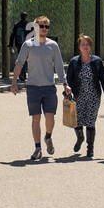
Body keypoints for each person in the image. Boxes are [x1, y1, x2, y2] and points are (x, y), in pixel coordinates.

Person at [10, 15, 68, 161]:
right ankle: (37, 148)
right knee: (35, 119)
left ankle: (48, 136)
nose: (44, 29)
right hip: (33, 88)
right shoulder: (28, 45)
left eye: (46, 26)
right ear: (35, 27)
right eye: (41, 26)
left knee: (50, 118)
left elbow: (59, 66)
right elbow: (19, 63)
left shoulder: (53, 45)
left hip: (49, 87)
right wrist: (14, 82)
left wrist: (65, 84)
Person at [66, 34, 104, 159]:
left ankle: (90, 148)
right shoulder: (74, 62)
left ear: (90, 46)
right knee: (77, 121)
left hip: (93, 95)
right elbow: (68, 80)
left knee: (91, 121)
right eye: (82, 44)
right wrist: (67, 91)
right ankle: (80, 138)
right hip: (78, 96)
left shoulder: (97, 61)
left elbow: (103, 79)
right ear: (79, 47)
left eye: (87, 44)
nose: (85, 46)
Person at [9, 11, 32, 83]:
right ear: (26, 17)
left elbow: (12, 35)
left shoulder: (17, 25)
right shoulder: (29, 25)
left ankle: (22, 75)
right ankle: (23, 75)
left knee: (21, 59)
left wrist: (11, 44)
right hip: (27, 45)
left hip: (19, 45)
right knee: (25, 59)